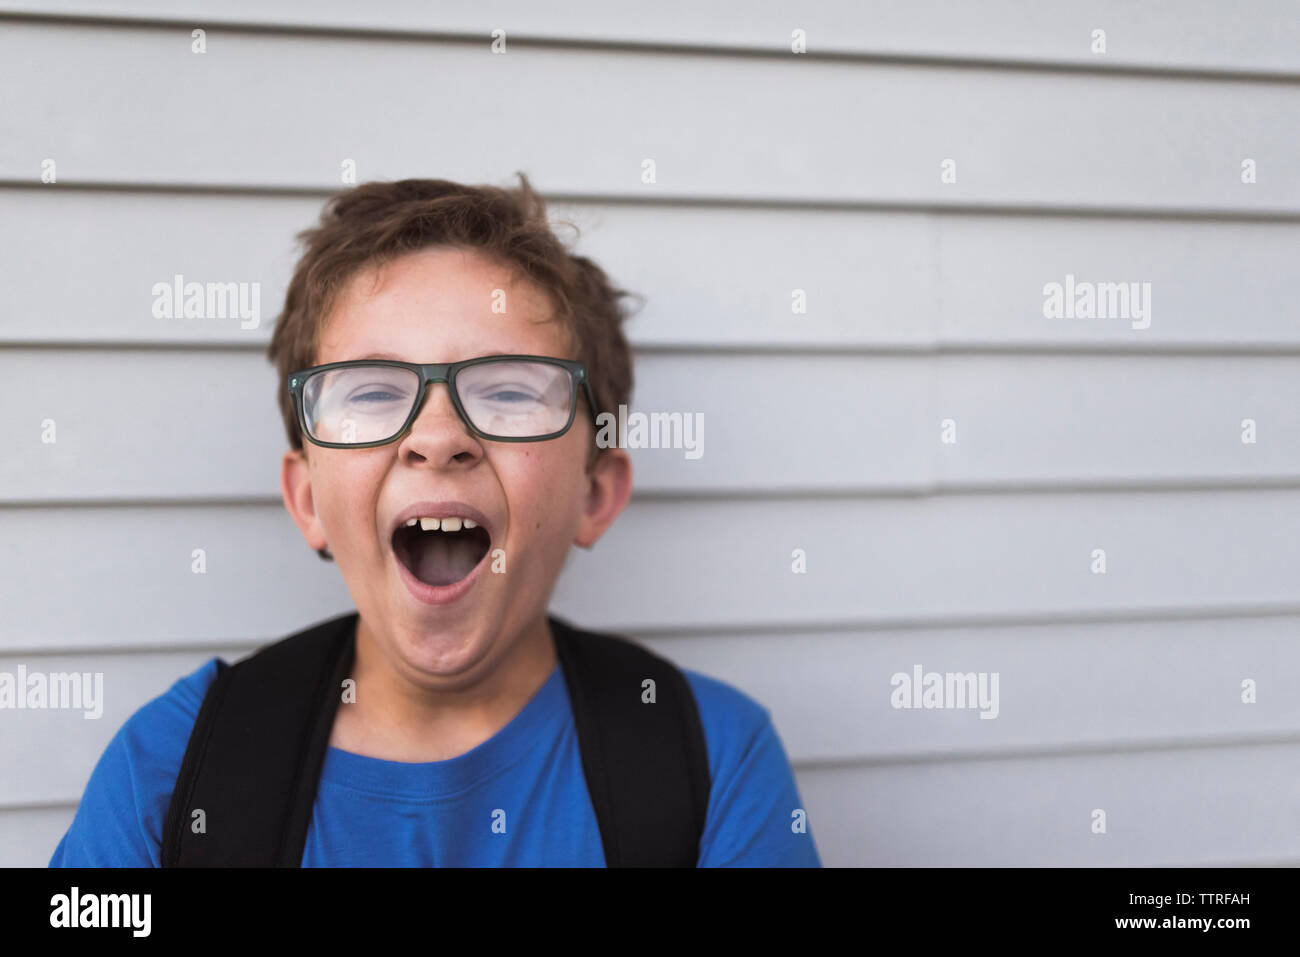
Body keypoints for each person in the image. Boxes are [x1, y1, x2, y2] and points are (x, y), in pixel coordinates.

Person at [50, 175, 821, 867]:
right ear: (310, 500)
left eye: (512, 391)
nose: (438, 436)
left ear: (595, 493)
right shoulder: (170, 769)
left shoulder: (713, 763)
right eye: (373, 392)